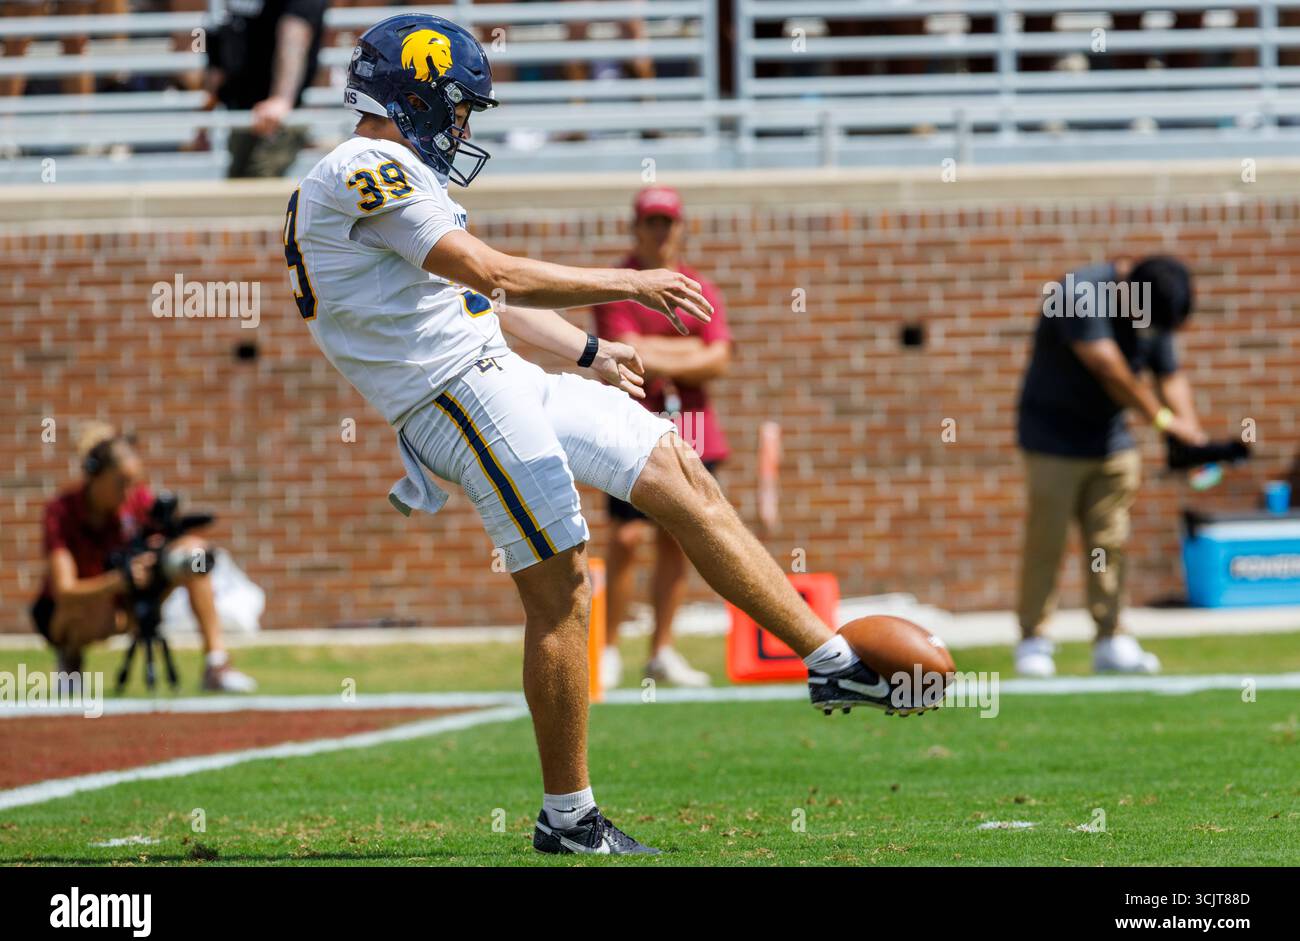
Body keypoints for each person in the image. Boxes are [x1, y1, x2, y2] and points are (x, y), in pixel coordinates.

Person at [289, 13, 905, 856]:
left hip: (498, 377)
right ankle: (569, 816)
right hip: (451, 398)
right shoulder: (363, 167)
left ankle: (834, 663)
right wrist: (630, 281)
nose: (462, 126)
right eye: (457, 107)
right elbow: (492, 272)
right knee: (563, 587)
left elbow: (482, 308)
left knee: (677, 467)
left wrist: (589, 349)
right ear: (416, 91)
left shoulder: (390, 176)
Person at [1014, 256, 1207, 677]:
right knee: (1047, 540)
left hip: (1112, 442)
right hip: (1053, 439)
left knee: (1109, 541)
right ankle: (1034, 639)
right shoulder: (1080, 294)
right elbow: (1106, 365)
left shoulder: (1155, 305)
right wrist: (1161, 420)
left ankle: (1111, 636)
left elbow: (1169, 374)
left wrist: (1189, 430)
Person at [593, 186, 731, 689]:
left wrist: (658, 351)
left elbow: (718, 358)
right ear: (636, 227)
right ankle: (608, 647)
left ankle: (662, 651)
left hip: (691, 425)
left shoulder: (699, 286)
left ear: (681, 226)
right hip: (632, 422)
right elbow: (626, 352)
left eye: (667, 222)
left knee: (681, 537)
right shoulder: (621, 283)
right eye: (651, 221)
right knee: (627, 538)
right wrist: (684, 350)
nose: (660, 231)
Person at [32, 425, 257, 693]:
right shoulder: (62, 512)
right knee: (87, 612)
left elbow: (170, 542)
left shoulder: (137, 501)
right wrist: (118, 581)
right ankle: (70, 660)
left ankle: (216, 664)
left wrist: (178, 555)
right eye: (121, 483)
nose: (129, 492)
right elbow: (65, 590)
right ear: (95, 476)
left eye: (133, 483)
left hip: (133, 602)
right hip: (82, 611)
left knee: (194, 555)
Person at [207, 0, 327, 178]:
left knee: (260, 184)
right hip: (242, 111)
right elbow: (222, 37)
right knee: (238, 184)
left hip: (275, 116)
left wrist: (281, 98)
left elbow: (295, 35)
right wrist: (210, 99)